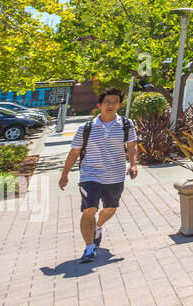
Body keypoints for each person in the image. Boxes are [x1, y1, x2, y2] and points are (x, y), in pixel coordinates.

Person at [59, 88, 138, 264]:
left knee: (110, 209)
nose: (110, 105)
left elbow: (132, 145)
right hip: (90, 174)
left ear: (120, 105)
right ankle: (89, 248)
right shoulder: (85, 128)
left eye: (114, 102)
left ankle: (98, 226)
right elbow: (74, 152)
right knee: (89, 210)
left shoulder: (126, 125)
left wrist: (133, 164)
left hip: (115, 175)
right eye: (107, 102)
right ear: (99, 105)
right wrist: (64, 175)